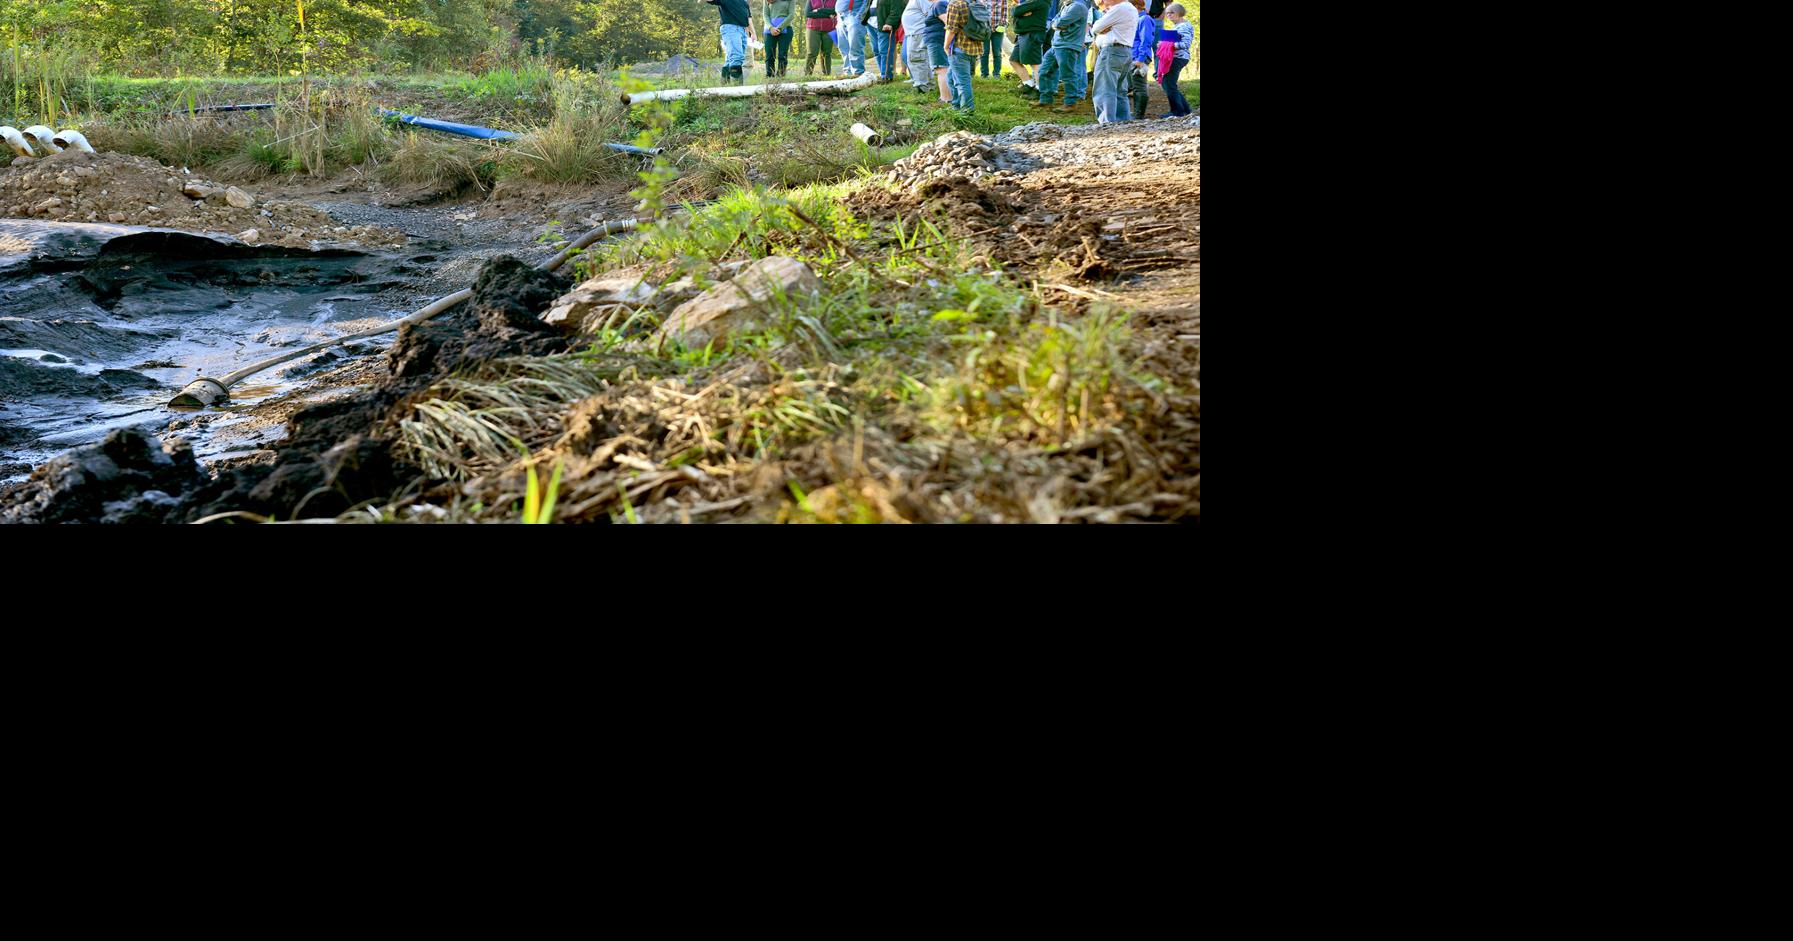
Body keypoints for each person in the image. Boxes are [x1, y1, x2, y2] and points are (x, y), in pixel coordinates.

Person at [1033, 0, 1087, 112]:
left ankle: (1070, 103)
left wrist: (1058, 24)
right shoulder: (1066, 5)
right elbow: (1055, 21)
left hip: (1068, 46)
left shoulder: (1078, 7)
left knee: (1067, 75)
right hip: (1056, 45)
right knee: (1044, 71)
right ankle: (1045, 99)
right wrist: (1058, 24)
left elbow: (1059, 23)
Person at [1088, 0, 1136, 123]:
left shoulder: (1119, 8)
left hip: (1111, 51)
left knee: (1104, 89)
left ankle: (1107, 124)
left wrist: (1101, 28)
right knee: (1120, 91)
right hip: (1124, 51)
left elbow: (1096, 27)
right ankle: (1122, 122)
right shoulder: (1130, 8)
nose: (1102, 1)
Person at [941, 0, 988, 113]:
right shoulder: (979, 3)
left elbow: (951, 30)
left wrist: (946, 46)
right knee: (950, 78)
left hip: (960, 48)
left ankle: (967, 111)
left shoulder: (955, 4)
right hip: (975, 48)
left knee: (962, 82)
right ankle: (956, 105)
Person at [707, 0, 754, 85]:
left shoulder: (744, 2)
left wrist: (753, 33)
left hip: (743, 30)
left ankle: (725, 85)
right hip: (730, 28)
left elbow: (749, 18)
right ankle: (737, 89)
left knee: (731, 59)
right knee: (736, 57)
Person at [1160, 2, 1193, 117]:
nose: (1169, 15)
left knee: (1169, 84)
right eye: (1167, 13)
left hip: (1179, 58)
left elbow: (1185, 44)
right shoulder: (1178, 26)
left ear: (1180, 13)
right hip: (1175, 58)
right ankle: (1186, 110)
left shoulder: (1184, 26)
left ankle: (1177, 112)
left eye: (1172, 13)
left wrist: (1168, 44)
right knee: (1169, 83)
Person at [1009, 0, 1049, 92]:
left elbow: (1016, 11)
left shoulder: (1040, 2)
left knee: (1035, 64)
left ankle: (1040, 90)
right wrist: (1019, 12)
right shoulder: (1030, 2)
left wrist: (1018, 12)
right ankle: (1028, 84)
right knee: (1014, 60)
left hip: (1032, 35)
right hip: (1023, 34)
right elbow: (1015, 10)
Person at [1127, 0, 1155, 119]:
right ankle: (1136, 113)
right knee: (1134, 86)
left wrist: (1141, 58)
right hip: (1133, 55)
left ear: (1135, 6)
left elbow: (1146, 40)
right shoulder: (1135, 19)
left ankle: (1139, 115)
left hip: (1140, 56)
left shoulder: (1145, 19)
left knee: (1139, 86)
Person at [924, 0, 953, 103]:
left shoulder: (940, 4)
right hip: (938, 40)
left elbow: (949, 24)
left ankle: (946, 99)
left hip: (937, 41)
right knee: (942, 69)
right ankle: (947, 97)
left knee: (941, 69)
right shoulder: (939, 4)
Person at [902, 0, 935, 92]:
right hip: (914, 33)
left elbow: (931, 13)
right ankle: (927, 85)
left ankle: (923, 87)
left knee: (917, 59)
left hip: (918, 33)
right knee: (919, 59)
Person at [870, 0, 906, 81]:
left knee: (885, 51)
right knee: (876, 50)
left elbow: (897, 9)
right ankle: (882, 73)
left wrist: (890, 22)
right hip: (870, 25)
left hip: (884, 25)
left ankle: (887, 76)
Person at [764, 0, 797, 77]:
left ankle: (780, 76)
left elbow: (791, 15)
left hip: (786, 28)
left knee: (782, 55)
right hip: (770, 30)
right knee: (769, 54)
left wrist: (779, 28)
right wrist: (771, 27)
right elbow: (765, 15)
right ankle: (769, 76)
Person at [805, 0, 838, 74]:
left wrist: (819, 10)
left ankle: (827, 75)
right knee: (812, 52)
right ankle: (807, 75)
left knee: (827, 53)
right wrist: (828, 15)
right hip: (812, 28)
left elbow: (836, 11)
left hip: (829, 28)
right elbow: (808, 14)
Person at [980, 1, 1008, 78]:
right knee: (984, 52)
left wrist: (1002, 25)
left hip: (998, 30)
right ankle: (984, 74)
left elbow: (1004, 14)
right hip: (984, 29)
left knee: (997, 52)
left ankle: (996, 74)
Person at [838, 0, 866, 75]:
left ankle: (858, 72)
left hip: (853, 15)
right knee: (843, 47)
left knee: (855, 46)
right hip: (840, 17)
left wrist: (859, 15)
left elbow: (866, 2)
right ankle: (848, 73)